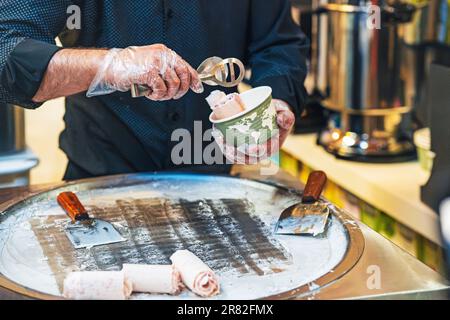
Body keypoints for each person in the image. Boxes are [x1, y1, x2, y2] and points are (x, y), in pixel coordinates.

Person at [0, 0, 308, 180]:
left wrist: (276, 102)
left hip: (212, 181)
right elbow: (7, 51)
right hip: (100, 179)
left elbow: (278, 44)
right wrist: (109, 65)